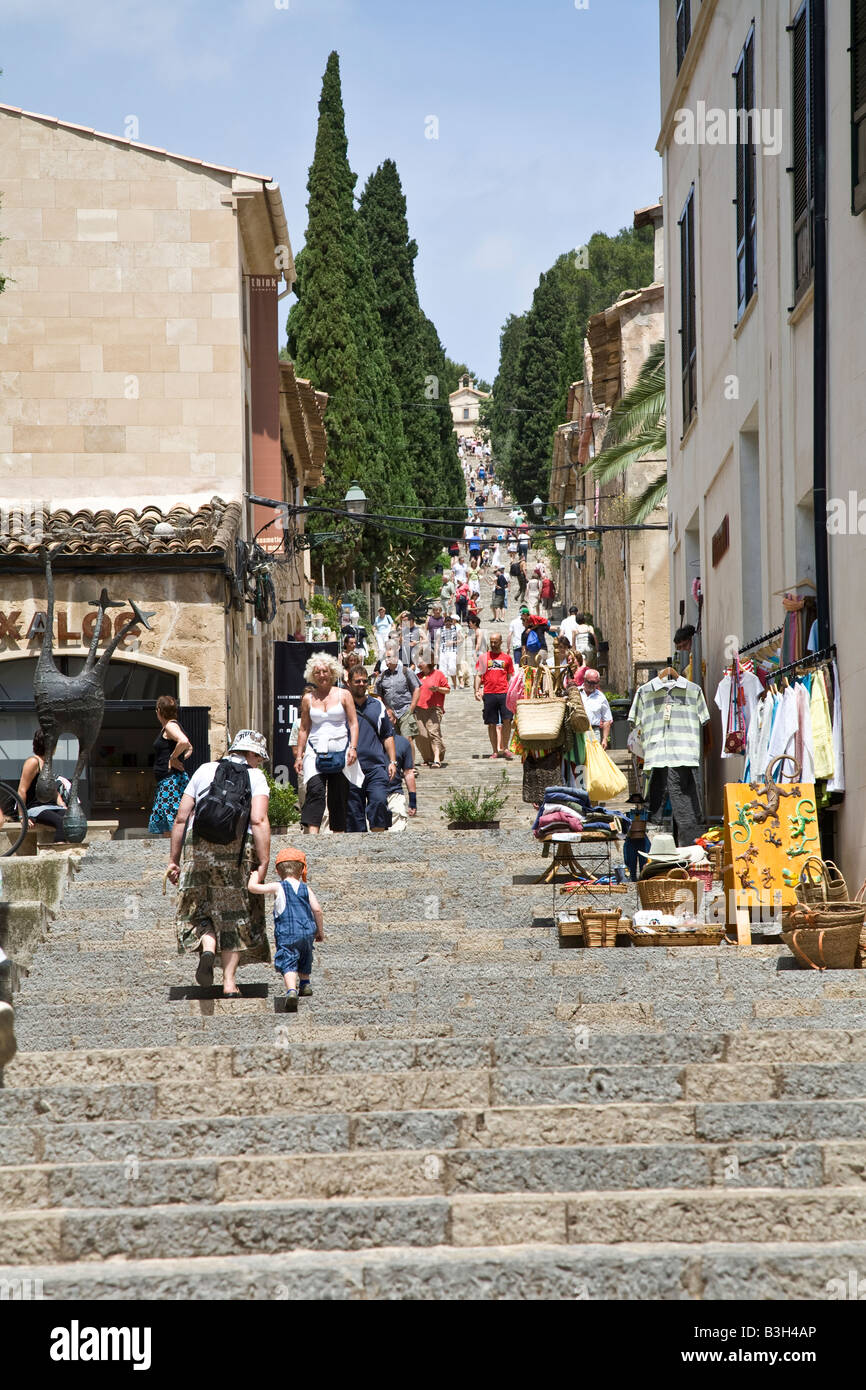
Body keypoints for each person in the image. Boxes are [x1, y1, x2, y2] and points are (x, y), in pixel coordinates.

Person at [169, 729, 271, 998]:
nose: (259, 763)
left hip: (198, 849)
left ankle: (207, 946)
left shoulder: (203, 770)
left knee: (199, 910)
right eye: (258, 758)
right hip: (236, 850)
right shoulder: (255, 777)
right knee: (234, 916)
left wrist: (173, 861)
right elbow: (259, 820)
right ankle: (228, 983)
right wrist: (264, 859)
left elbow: (181, 818)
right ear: (250, 754)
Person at [248, 846, 323, 1011]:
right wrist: (319, 931)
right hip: (307, 931)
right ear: (302, 868)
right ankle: (305, 984)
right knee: (305, 956)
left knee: (288, 961)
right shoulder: (306, 888)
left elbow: (254, 889)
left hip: (287, 933)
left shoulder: (278, 886)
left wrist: (254, 878)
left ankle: (291, 991)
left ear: (279, 870)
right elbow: (317, 909)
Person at [294, 653, 361, 835]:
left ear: (332, 673)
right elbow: (304, 728)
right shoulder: (308, 698)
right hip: (315, 750)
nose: (322, 675)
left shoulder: (344, 694)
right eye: (318, 672)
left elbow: (353, 723)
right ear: (312, 675)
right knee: (315, 790)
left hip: (340, 749)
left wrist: (353, 747)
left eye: (325, 671)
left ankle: (338, 836)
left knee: (338, 795)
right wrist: (299, 756)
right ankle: (313, 836)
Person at [345, 666, 397, 833]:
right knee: (354, 814)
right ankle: (358, 853)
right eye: (357, 681)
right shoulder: (342, 708)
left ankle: (378, 847)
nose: (362, 684)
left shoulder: (378, 706)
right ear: (349, 683)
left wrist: (393, 761)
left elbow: (387, 735)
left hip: (376, 768)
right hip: (350, 769)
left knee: (379, 802)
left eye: (365, 681)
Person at [147, 695, 192, 835]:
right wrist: (183, 754)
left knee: (172, 822)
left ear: (159, 710)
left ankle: (173, 855)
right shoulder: (173, 726)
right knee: (172, 821)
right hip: (170, 781)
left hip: (171, 783)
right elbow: (189, 746)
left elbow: (184, 741)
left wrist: (172, 758)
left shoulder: (170, 726)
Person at [16, 729, 69, 843]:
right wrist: (22, 816)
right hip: (35, 809)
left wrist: (63, 805)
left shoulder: (47, 762)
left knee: (72, 819)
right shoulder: (33, 762)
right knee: (61, 823)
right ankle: (58, 853)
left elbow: (53, 790)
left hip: (51, 806)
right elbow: (22, 790)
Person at [475, 631, 515, 758]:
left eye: (495, 642)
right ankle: (495, 750)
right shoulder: (483, 658)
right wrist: (476, 690)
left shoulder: (507, 658)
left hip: (504, 692)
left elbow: (510, 676)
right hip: (489, 692)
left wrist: (512, 692)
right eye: (491, 642)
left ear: (500, 642)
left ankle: (506, 747)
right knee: (491, 723)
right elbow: (478, 675)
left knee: (507, 720)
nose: (493, 644)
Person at [375, 645, 420, 750]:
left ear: (396, 658)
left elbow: (417, 688)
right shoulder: (382, 677)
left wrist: (412, 707)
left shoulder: (406, 671)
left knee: (407, 739)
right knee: (395, 741)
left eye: (389, 657)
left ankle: (410, 765)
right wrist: (385, 709)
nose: (387, 660)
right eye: (385, 658)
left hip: (405, 711)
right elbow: (378, 695)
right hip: (391, 713)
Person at [411, 646, 449, 768]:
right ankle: (428, 758)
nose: (419, 664)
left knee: (433, 732)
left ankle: (437, 759)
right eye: (418, 661)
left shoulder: (438, 674)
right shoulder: (417, 676)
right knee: (421, 735)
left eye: (421, 661)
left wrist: (438, 689)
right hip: (419, 709)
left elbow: (447, 690)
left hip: (434, 708)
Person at [385, 720, 417, 831]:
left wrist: (412, 800)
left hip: (395, 792)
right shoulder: (370, 739)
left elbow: (408, 772)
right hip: (371, 794)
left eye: (388, 717)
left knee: (397, 833)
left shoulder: (403, 743)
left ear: (394, 720)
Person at [581, 668, 613, 749]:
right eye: (589, 682)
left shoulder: (601, 697)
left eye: (595, 683)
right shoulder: (576, 693)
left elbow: (607, 720)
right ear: (584, 680)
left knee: (594, 758)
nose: (592, 685)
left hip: (594, 732)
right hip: (577, 731)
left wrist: (605, 739)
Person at [438, 613, 460, 689]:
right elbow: (437, 641)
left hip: (452, 651)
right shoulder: (440, 630)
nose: (448, 625)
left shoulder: (455, 629)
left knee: (452, 667)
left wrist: (453, 642)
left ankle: (455, 685)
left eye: (449, 623)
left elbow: (461, 639)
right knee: (443, 669)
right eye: (446, 623)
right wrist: (436, 653)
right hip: (443, 651)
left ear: (451, 622)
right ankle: (446, 685)